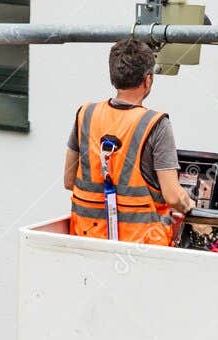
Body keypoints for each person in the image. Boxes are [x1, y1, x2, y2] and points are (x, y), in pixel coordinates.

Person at [63, 38, 195, 245]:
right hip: (142, 251)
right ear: (148, 80)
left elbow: (69, 181)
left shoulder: (85, 115)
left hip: (85, 242)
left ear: (113, 78)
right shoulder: (156, 124)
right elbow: (172, 196)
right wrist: (191, 207)